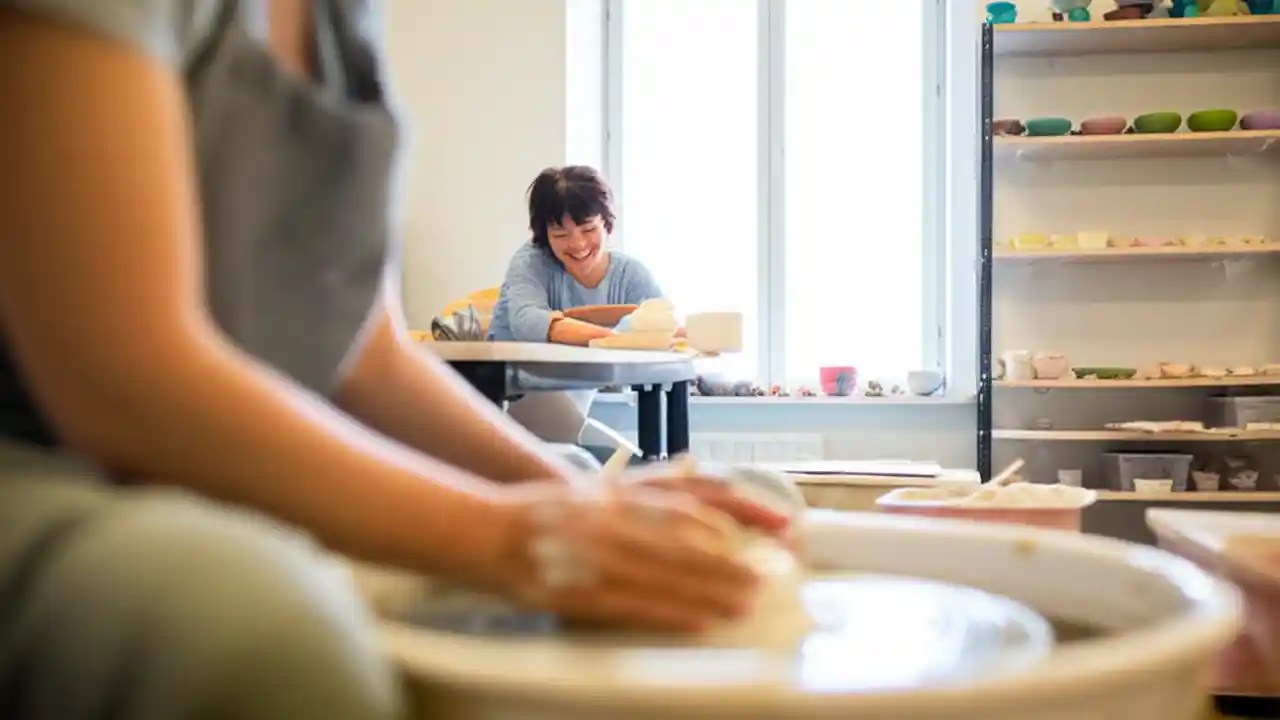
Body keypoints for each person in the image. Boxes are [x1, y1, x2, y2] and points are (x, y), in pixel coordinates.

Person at [0, 2, 787, 719]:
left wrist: (580, 498)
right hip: (46, 463)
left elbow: (365, 355)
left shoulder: (347, 27)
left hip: (219, 457)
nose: (578, 243)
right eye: (563, 232)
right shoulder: (527, 264)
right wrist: (511, 538)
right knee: (266, 639)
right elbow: (124, 381)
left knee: (739, 510)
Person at [488, 166, 666, 345]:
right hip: (514, 370)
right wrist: (620, 341)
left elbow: (664, 324)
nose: (578, 245)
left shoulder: (631, 274)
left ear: (606, 223)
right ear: (544, 235)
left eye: (589, 229)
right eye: (561, 235)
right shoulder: (529, 263)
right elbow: (528, 323)